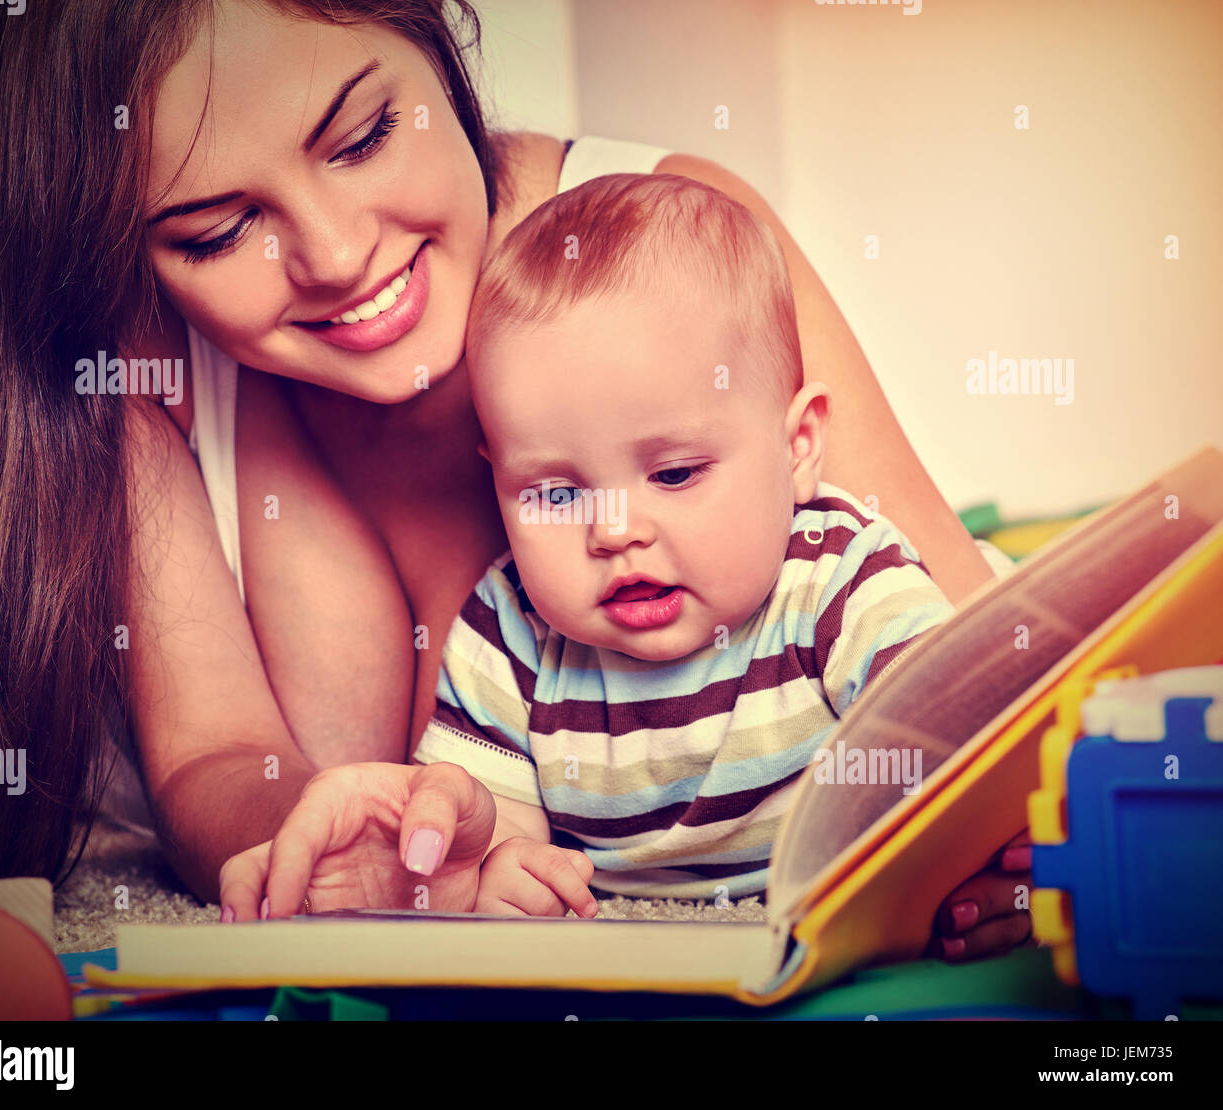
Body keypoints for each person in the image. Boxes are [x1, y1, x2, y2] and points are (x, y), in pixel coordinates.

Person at [0, 1, 1024, 961]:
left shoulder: (676, 241)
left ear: (431, 37)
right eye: (221, 230)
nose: (336, 254)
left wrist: (1003, 830)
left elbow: (966, 644)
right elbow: (212, 752)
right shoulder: (141, 375)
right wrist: (325, 835)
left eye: (358, 138)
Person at [410, 171, 956, 915]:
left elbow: (962, 730)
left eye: (672, 473)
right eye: (557, 494)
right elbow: (491, 824)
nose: (613, 531)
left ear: (796, 448)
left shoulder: (844, 581)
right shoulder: (509, 632)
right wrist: (501, 871)